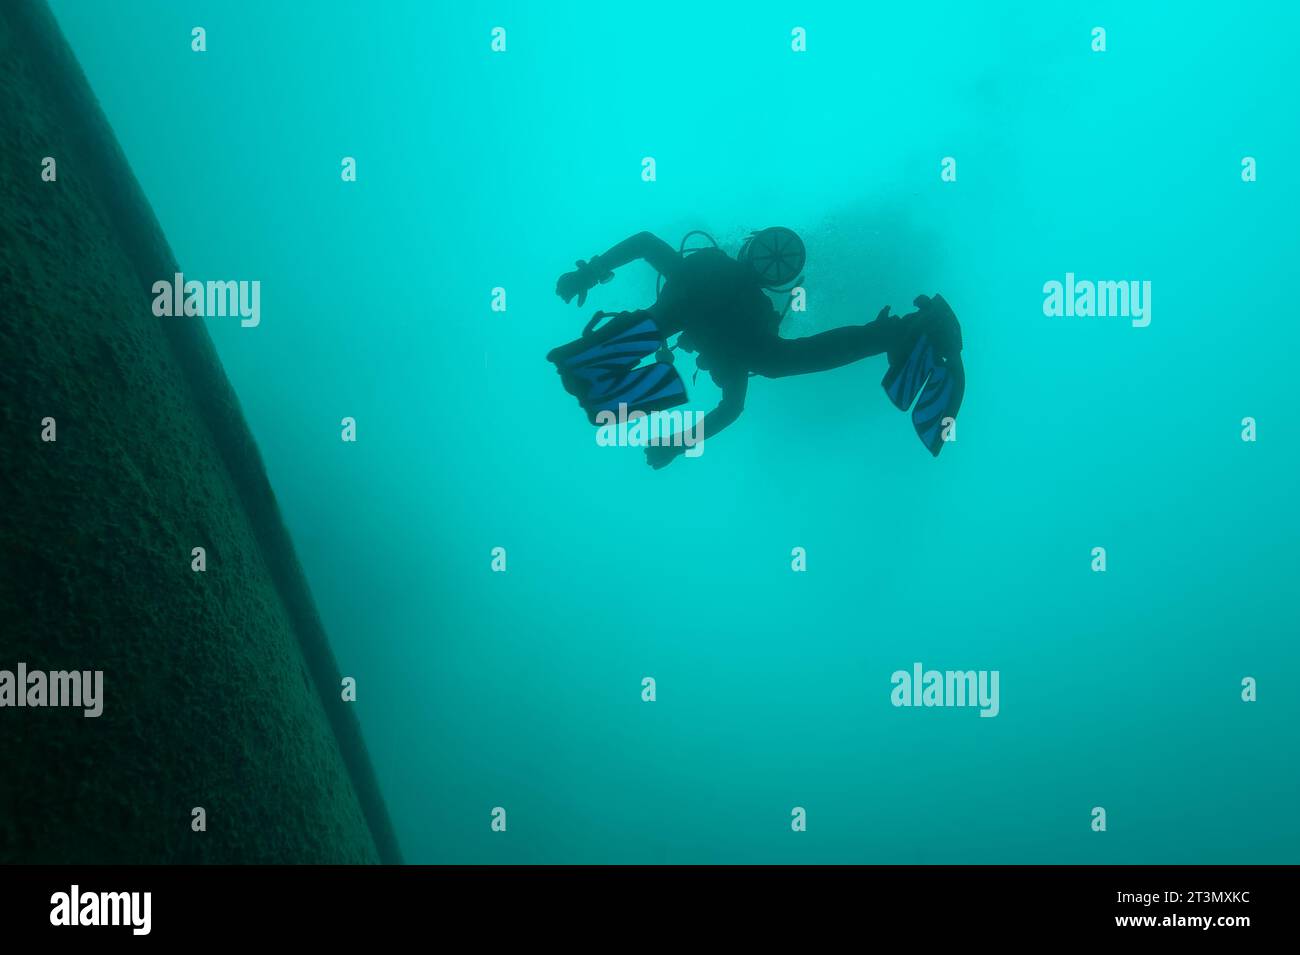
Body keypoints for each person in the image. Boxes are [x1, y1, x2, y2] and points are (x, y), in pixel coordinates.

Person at [551, 229, 963, 467]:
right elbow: (732, 407)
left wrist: (591, 272)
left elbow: (643, 243)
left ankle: (897, 333)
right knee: (778, 361)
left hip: (695, 308)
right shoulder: (746, 325)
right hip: (730, 330)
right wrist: (675, 443)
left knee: (624, 356)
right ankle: (900, 332)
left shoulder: (699, 275)